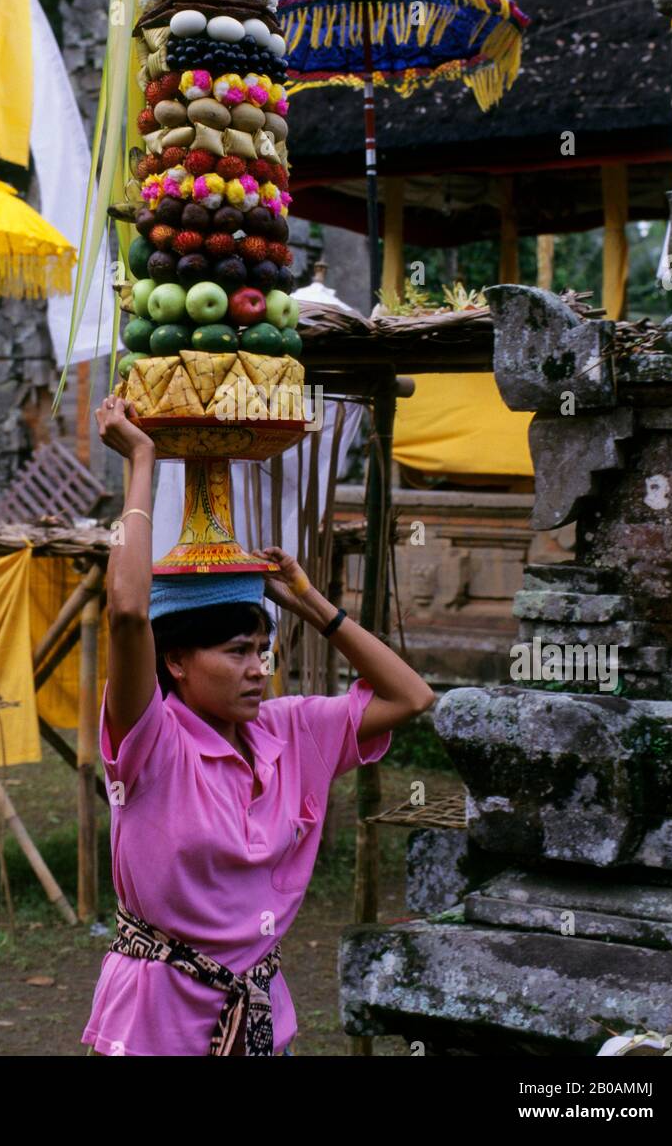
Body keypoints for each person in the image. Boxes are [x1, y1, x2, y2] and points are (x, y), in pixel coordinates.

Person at [82, 394, 436, 1057]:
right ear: (177, 661)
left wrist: (310, 602)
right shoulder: (149, 741)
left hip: (260, 1014)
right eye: (236, 652)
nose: (257, 669)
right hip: (157, 1022)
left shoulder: (290, 732)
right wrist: (141, 460)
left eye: (261, 651)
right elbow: (128, 612)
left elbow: (411, 696)